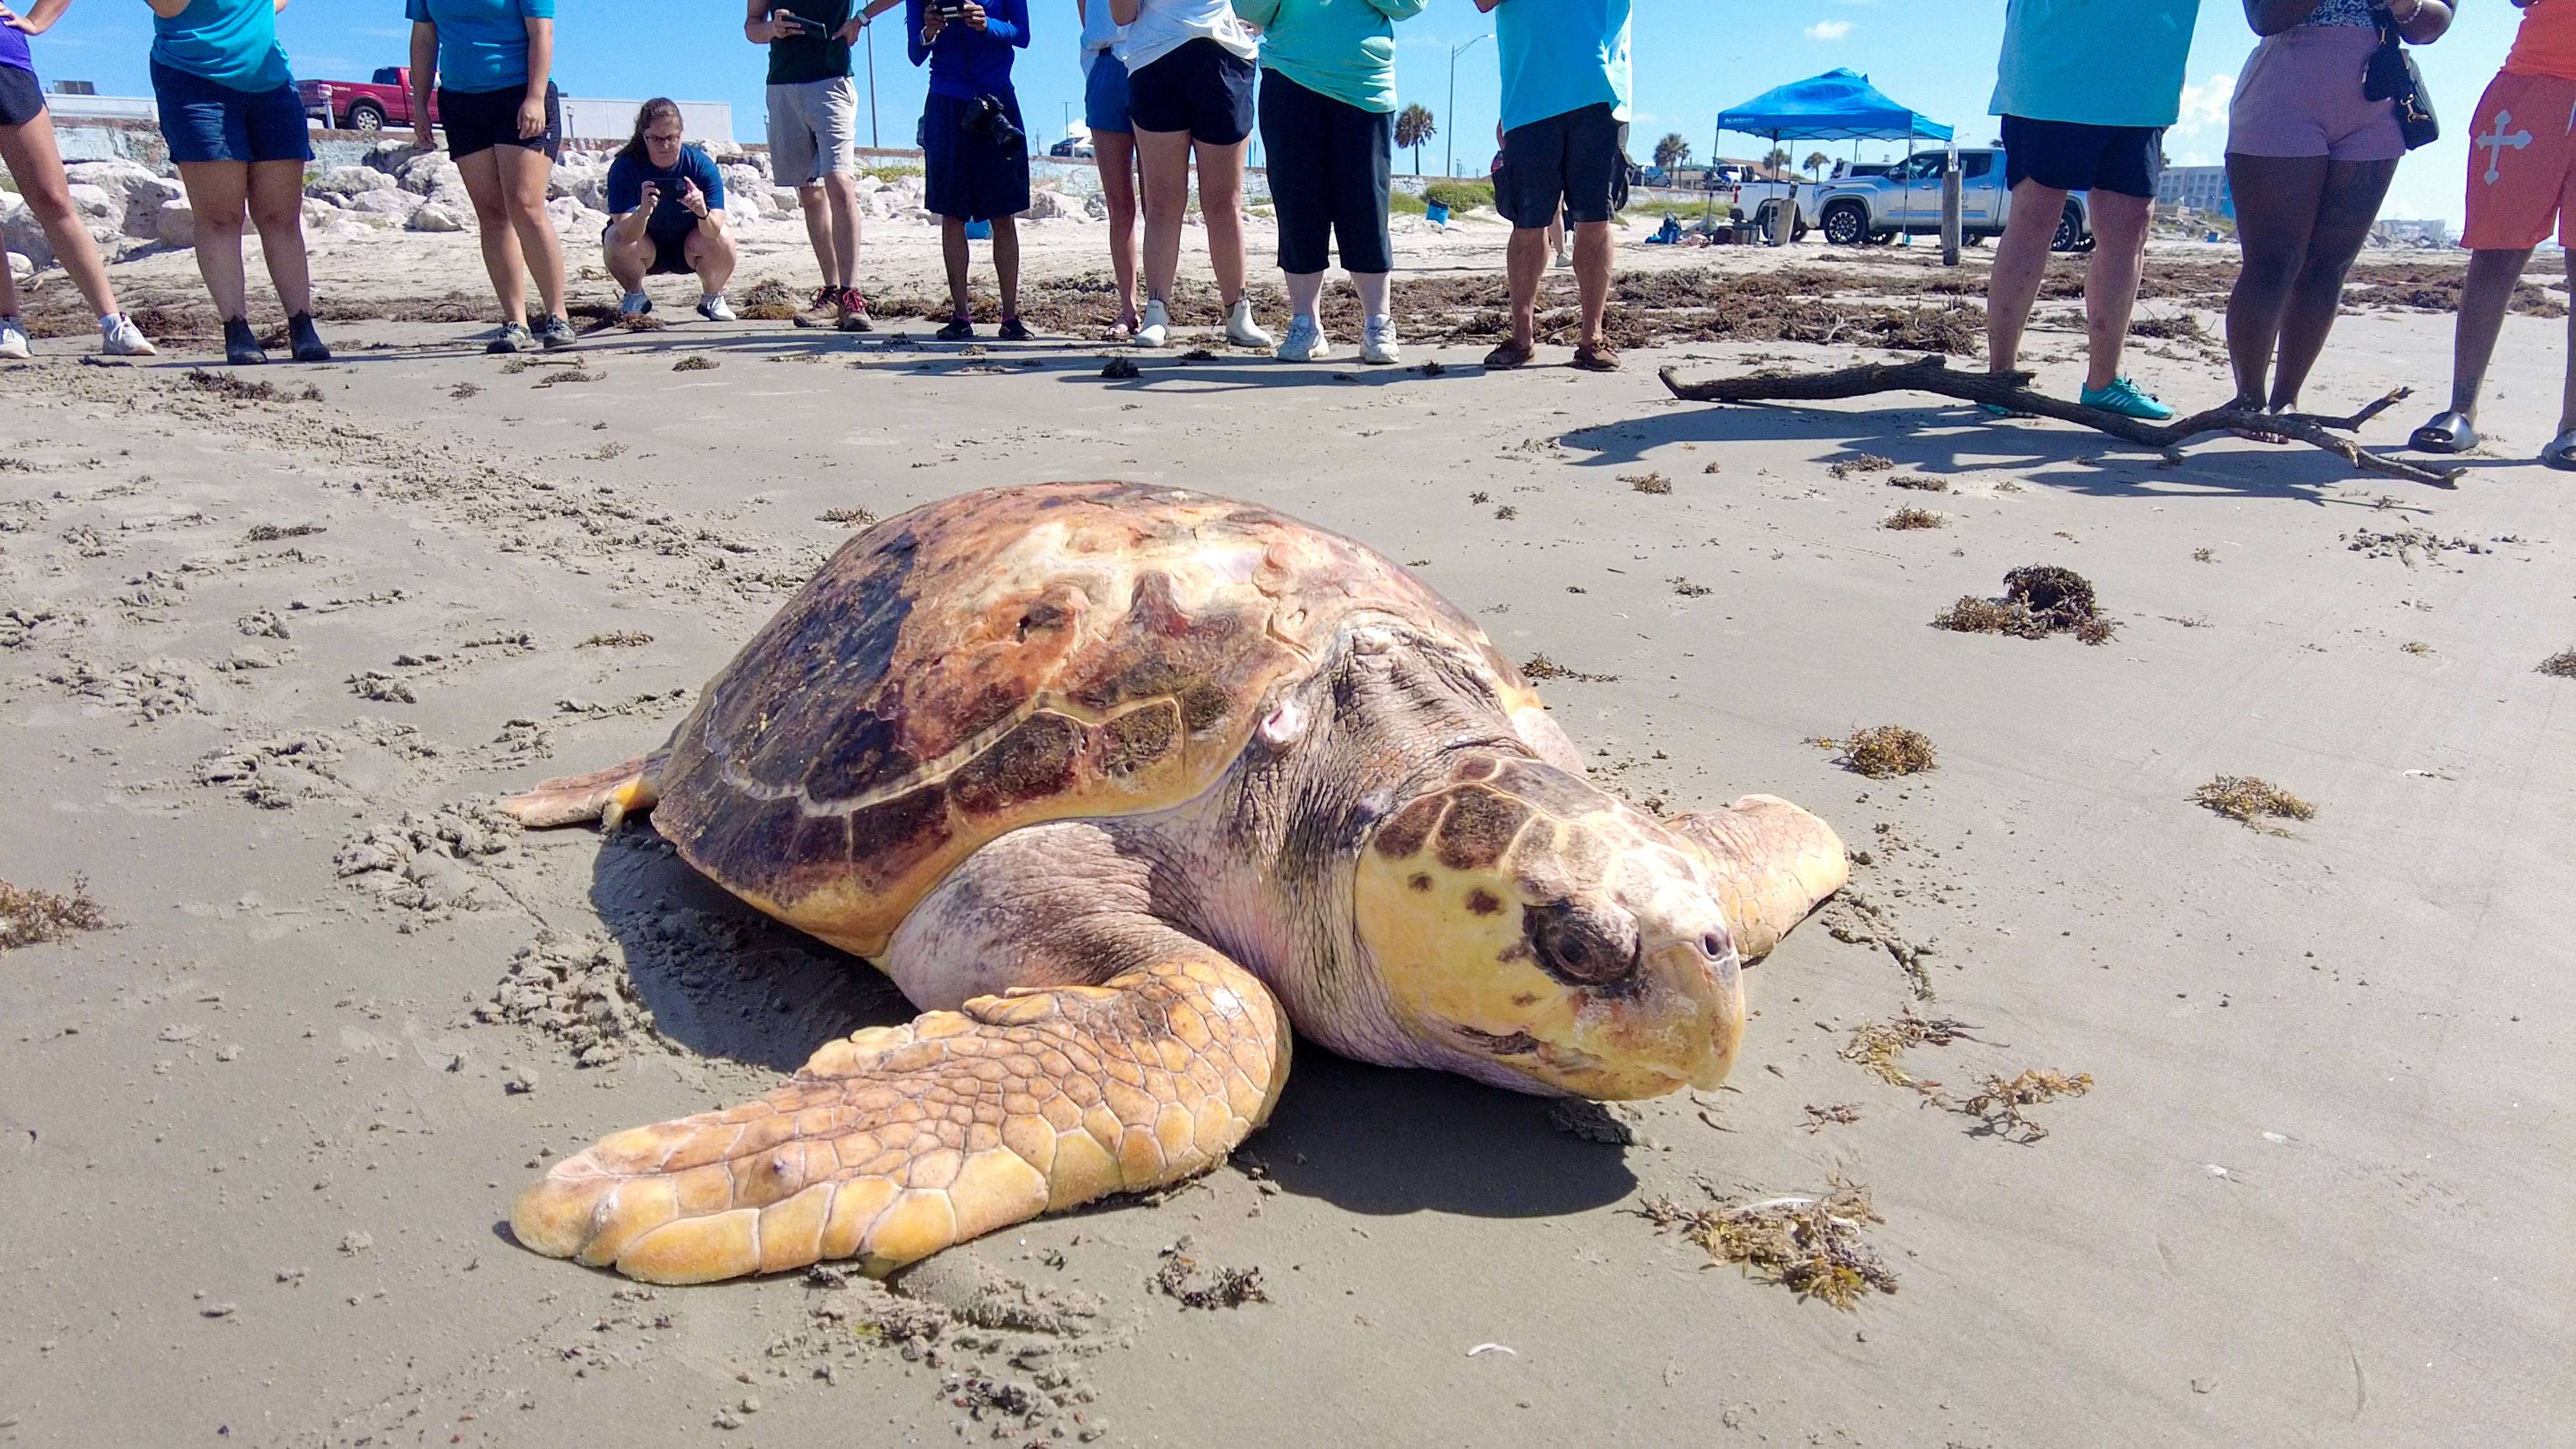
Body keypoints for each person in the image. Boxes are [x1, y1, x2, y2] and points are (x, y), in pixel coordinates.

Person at [2224, 0, 2453, 414]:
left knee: (2328, 266)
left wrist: (2406, 4)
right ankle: (2247, 398)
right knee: (2271, 262)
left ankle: (2286, 400)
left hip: (2376, 97)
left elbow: (2431, 27)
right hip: (2284, 88)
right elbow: (2264, 17)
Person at [1981, 0, 2200, 419]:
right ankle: (1999, 375)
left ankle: (2104, 381)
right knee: (2034, 220)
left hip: (2142, 80)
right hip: (2050, 70)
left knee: (2129, 231)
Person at [2411, 0, 2576, 463]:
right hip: (2532, 83)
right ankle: (2460, 410)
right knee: (2497, 251)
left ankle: (2572, 426)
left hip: (2535, 84)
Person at [1237, 0, 1423, 365]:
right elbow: (1250, 10)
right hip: (1289, 78)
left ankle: (1377, 323)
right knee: (1298, 207)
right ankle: (1305, 323)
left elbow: (1410, 4)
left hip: (1365, 86)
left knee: (1366, 207)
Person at [144, 0, 327, 365]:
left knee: (281, 216)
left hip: (271, 83)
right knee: (220, 217)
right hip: (193, 82)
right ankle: (236, 327)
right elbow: (168, 8)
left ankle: (302, 325)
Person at [407, 0, 572, 353]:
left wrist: (535, 97)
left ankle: (557, 316)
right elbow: (424, 38)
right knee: (493, 216)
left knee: (525, 207)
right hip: (461, 101)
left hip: (519, 93)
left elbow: (541, 31)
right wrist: (420, 106)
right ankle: (516, 322)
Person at [1476, 0, 1631, 372]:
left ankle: (1592, 337)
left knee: (1595, 221)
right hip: (1529, 100)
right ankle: (1521, 338)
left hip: (1600, 94)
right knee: (1528, 224)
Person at [1109, 0, 1271, 349]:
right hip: (1155, 57)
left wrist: (1262, 19)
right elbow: (1122, 15)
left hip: (1226, 54)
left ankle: (1238, 313)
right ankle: (1156, 313)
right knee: (1164, 202)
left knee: (1224, 203)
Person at [0, 1, 153, 358]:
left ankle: (113, 322)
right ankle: (7, 323)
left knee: (53, 198)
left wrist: (37, 21)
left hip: (6, 64)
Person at [745, 0, 887, 331]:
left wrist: (861, 19)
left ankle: (851, 295)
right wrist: (773, 30)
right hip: (783, 85)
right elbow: (753, 26)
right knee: (809, 193)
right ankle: (832, 291)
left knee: (839, 182)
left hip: (832, 82)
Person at [908, 0, 1031, 342]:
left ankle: (1011, 317)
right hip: (946, 102)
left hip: (997, 101)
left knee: (1003, 215)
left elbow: (1022, 34)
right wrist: (929, 31)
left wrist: (987, 23)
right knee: (952, 215)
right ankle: (961, 316)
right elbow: (915, 53)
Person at [603, 99, 737, 322]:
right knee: (614, 237)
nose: (664, 145)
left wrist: (702, 211)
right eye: (656, 139)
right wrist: (642, 212)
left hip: (691, 245)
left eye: (671, 138)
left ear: (681, 133)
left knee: (724, 236)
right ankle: (635, 295)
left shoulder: (699, 165)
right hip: (646, 247)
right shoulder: (626, 167)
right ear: (644, 135)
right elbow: (626, 234)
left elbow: (714, 230)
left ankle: (713, 296)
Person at [1077, 0, 1140, 337]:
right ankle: (1128, 309)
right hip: (1104, 64)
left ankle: (1160, 307)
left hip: (1150, 57)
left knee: (1162, 202)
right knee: (1119, 205)